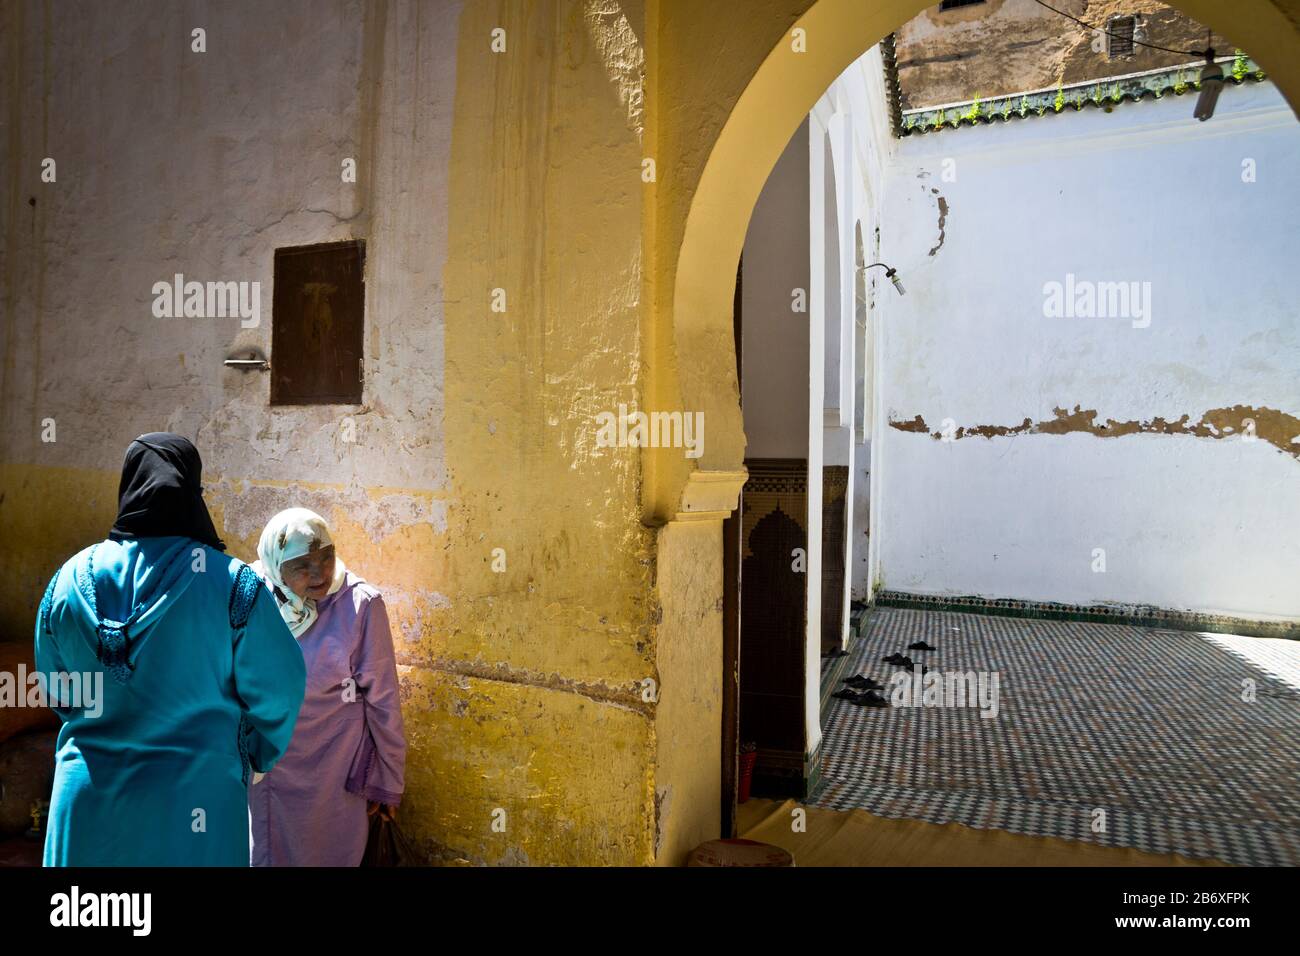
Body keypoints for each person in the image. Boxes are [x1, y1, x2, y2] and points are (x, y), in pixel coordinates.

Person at [36, 433, 306, 866]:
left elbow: (58, 688)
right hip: (196, 808)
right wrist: (252, 753)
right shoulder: (234, 585)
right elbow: (282, 689)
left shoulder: (67, 580)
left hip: (88, 803)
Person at [248, 508, 405, 866]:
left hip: (332, 769)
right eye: (302, 565)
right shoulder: (252, 595)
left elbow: (384, 701)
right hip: (266, 768)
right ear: (276, 565)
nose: (319, 573)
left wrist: (388, 779)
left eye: (327, 557)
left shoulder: (361, 605)